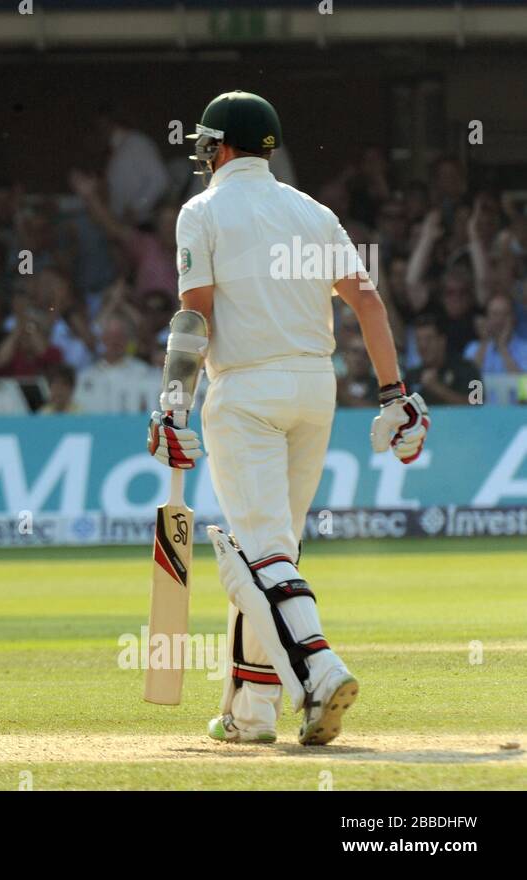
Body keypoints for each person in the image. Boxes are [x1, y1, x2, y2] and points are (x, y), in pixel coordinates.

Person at [156, 91, 429, 747]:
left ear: (217, 148)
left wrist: (172, 402)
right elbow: (367, 300)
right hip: (315, 389)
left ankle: (322, 668)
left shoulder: (202, 211)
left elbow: (196, 317)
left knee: (263, 551)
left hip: (245, 390)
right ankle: (252, 713)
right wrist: (395, 394)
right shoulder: (312, 211)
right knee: (270, 552)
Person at [404, 314, 480, 405]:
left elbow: (477, 405)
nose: (423, 346)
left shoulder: (468, 370)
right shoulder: (411, 376)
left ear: (442, 341)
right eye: (418, 340)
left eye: (429, 339)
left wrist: (437, 388)